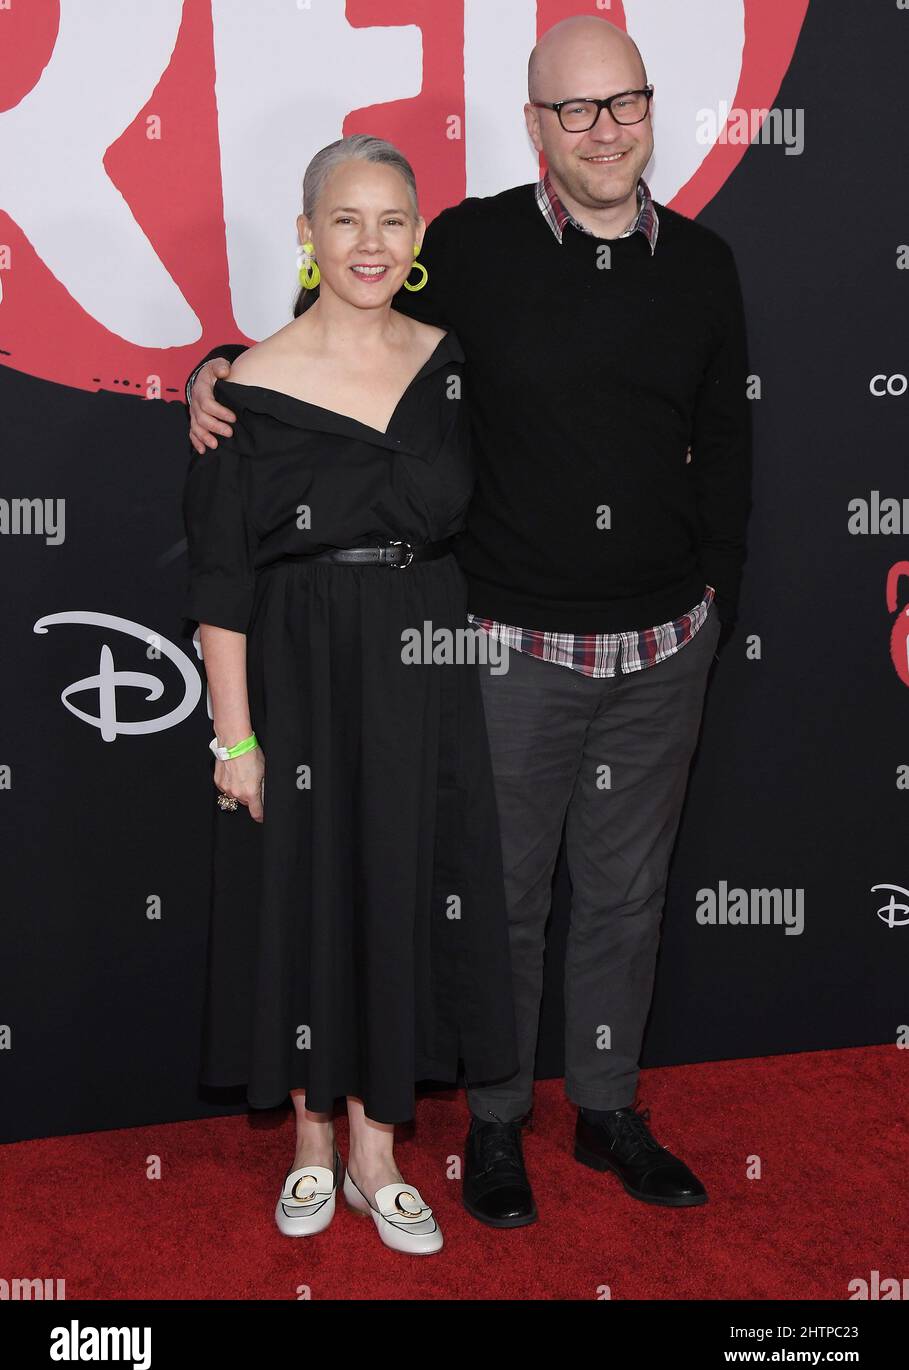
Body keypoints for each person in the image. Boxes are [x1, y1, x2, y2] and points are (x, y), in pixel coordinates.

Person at [186, 16, 752, 1228]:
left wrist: (715, 602)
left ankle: (606, 1109)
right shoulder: (474, 248)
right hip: (508, 645)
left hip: (662, 646)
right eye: (575, 110)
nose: (605, 130)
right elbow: (342, 324)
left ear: (652, 109)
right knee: (494, 899)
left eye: (626, 103)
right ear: (536, 124)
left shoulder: (704, 264)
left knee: (628, 893)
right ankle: (495, 1129)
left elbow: (729, 452)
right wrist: (218, 367)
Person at [181, 133, 519, 1255]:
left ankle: (379, 1151)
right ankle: (313, 1144)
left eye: (391, 221)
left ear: (417, 238)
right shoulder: (248, 390)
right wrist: (237, 739)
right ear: (306, 234)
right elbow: (221, 587)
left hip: (422, 663)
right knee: (308, 893)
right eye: (345, 220)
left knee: (402, 891)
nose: (368, 243)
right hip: (301, 665)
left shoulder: (450, 361)